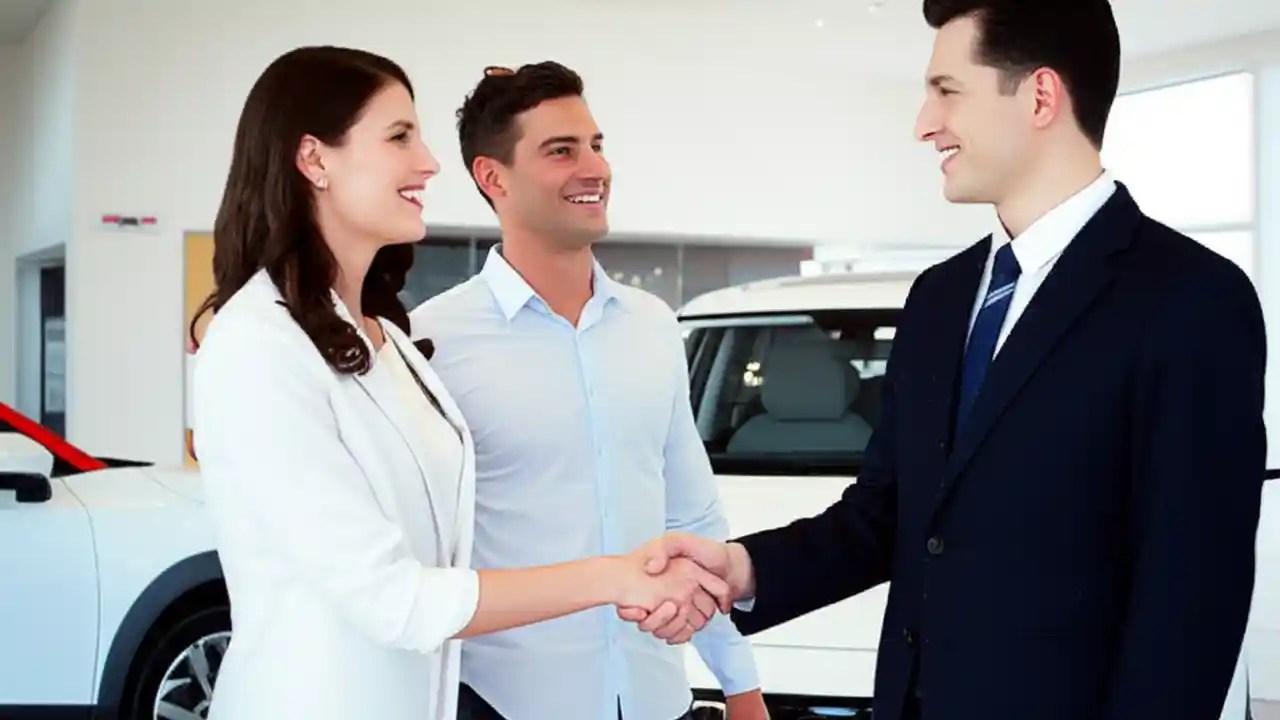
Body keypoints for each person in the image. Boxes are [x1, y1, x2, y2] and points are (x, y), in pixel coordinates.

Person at [637, 1, 1268, 719]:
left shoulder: (1190, 300)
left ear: (1040, 96)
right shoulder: (940, 296)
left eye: (946, 91)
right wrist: (743, 568)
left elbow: (1192, 599)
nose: (924, 124)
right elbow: (888, 513)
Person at [188, 47, 730, 720]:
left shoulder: (389, 341)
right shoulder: (257, 345)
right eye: (399, 137)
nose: (429, 162)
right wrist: (613, 576)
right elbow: (394, 598)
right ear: (314, 159)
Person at [408, 62, 768, 720]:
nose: (594, 168)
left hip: (657, 699)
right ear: (493, 177)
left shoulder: (653, 326)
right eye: (561, 150)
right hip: (506, 704)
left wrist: (741, 687)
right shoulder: (431, 343)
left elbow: (693, 520)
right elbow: (421, 564)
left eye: (596, 145)